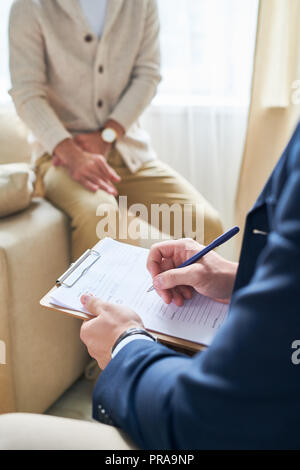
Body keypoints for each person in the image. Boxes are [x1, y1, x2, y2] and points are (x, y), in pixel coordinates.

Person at [1, 121, 300, 450]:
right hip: (60, 158)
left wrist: (126, 344)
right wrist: (235, 277)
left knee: (9, 437)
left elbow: (214, 416)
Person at [8, 0, 222, 261]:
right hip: (59, 158)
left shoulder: (141, 4)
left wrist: (108, 135)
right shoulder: (29, 6)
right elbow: (26, 93)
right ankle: (94, 303)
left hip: (128, 152)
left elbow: (148, 74)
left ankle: (180, 300)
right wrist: (73, 154)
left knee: (207, 225)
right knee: (106, 220)